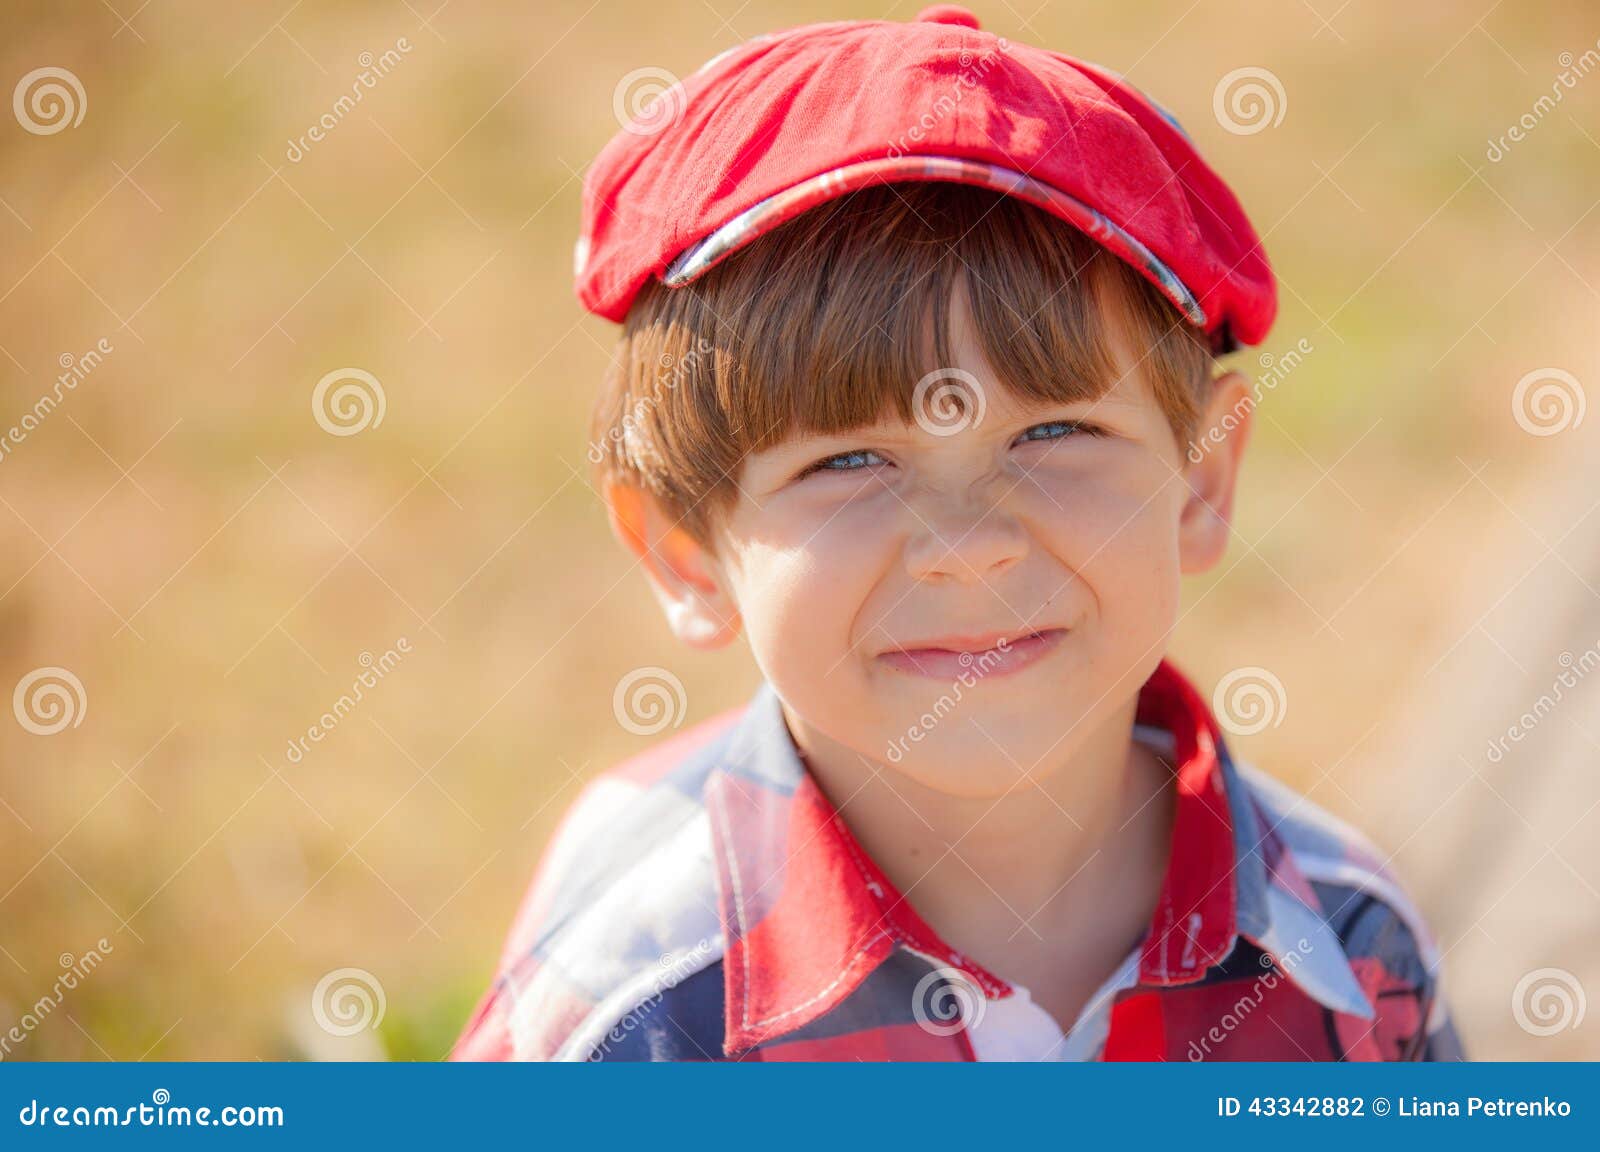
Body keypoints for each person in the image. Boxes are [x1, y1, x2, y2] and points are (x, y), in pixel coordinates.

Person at [451, 5, 1463, 1061]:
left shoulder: (1347, 953)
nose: (966, 542)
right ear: (683, 550)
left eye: (1056, 430)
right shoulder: (630, 1013)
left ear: (1200, 479)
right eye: (846, 461)